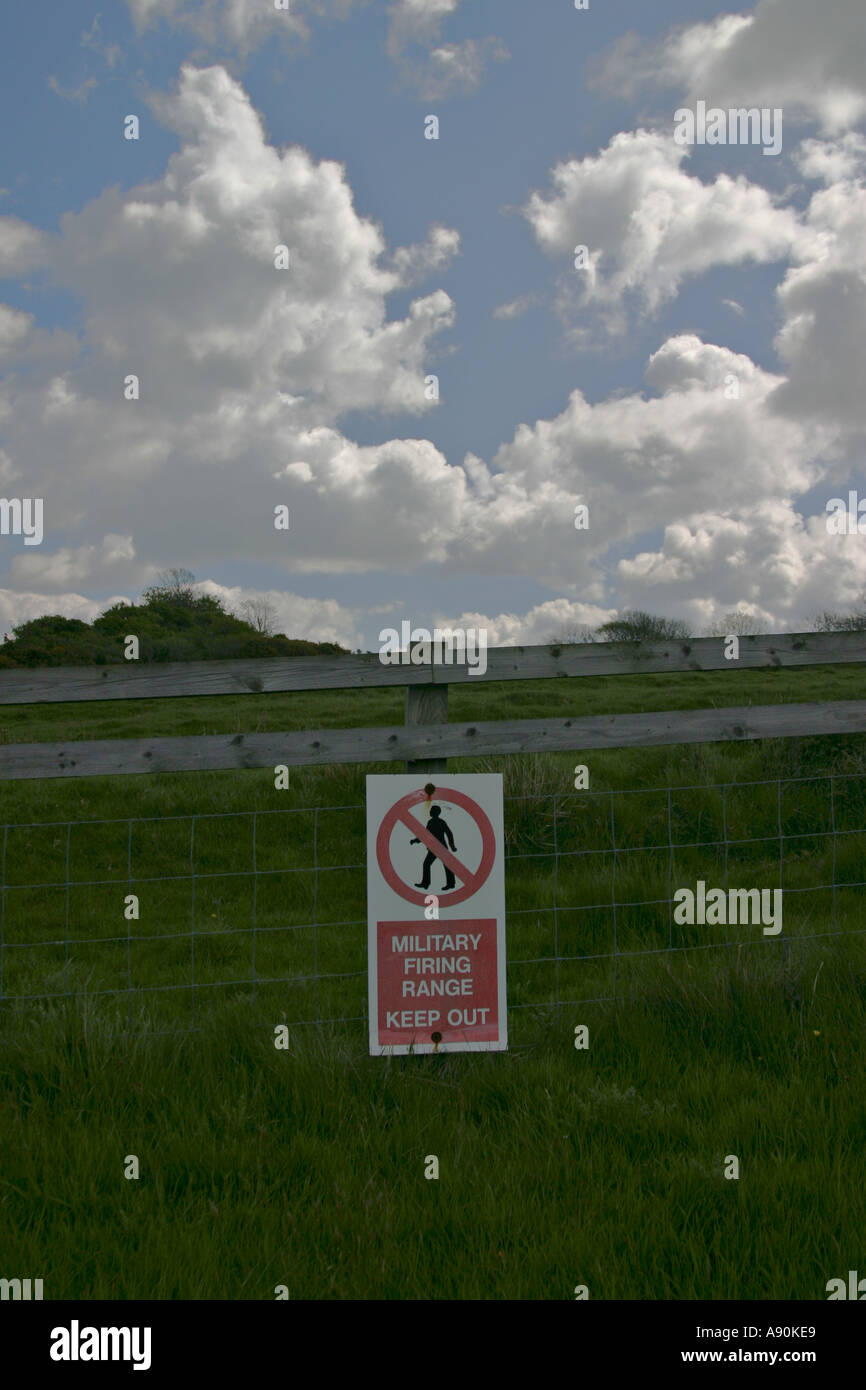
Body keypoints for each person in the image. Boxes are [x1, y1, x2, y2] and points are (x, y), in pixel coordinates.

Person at [410, 805, 457, 891]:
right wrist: (415, 840)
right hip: (435, 848)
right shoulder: (431, 822)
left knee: (444, 865)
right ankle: (426, 884)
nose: (430, 811)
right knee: (428, 864)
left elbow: (449, 834)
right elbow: (425, 835)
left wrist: (452, 846)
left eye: (431, 810)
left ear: (435, 812)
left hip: (440, 848)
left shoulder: (439, 822)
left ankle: (449, 884)